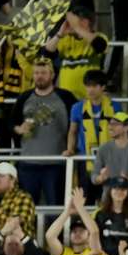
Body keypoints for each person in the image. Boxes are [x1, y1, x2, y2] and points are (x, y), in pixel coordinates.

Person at [11, 58, 77, 206]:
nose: (39, 76)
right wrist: (19, 129)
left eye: (43, 73)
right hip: (28, 163)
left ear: (52, 75)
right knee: (27, 208)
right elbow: (11, 123)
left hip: (56, 162)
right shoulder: (24, 97)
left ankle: (57, 231)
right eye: (36, 73)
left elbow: (77, 125)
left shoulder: (66, 97)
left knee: (56, 207)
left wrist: (71, 148)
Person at [46, 10, 108, 101]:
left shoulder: (98, 37)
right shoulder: (65, 39)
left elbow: (100, 45)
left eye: (71, 22)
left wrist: (77, 27)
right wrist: (60, 33)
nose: (69, 24)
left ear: (85, 21)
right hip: (66, 97)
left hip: (90, 97)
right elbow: (48, 51)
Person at [91, 111, 128, 206]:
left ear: (126, 128)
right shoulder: (103, 148)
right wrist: (100, 178)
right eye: (110, 124)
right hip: (108, 203)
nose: (110, 127)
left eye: (115, 124)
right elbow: (94, 177)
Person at [95, 178, 128, 255]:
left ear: (127, 192)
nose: (119, 192)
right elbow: (95, 242)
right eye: (116, 188)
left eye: (123, 189)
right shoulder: (100, 215)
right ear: (110, 191)